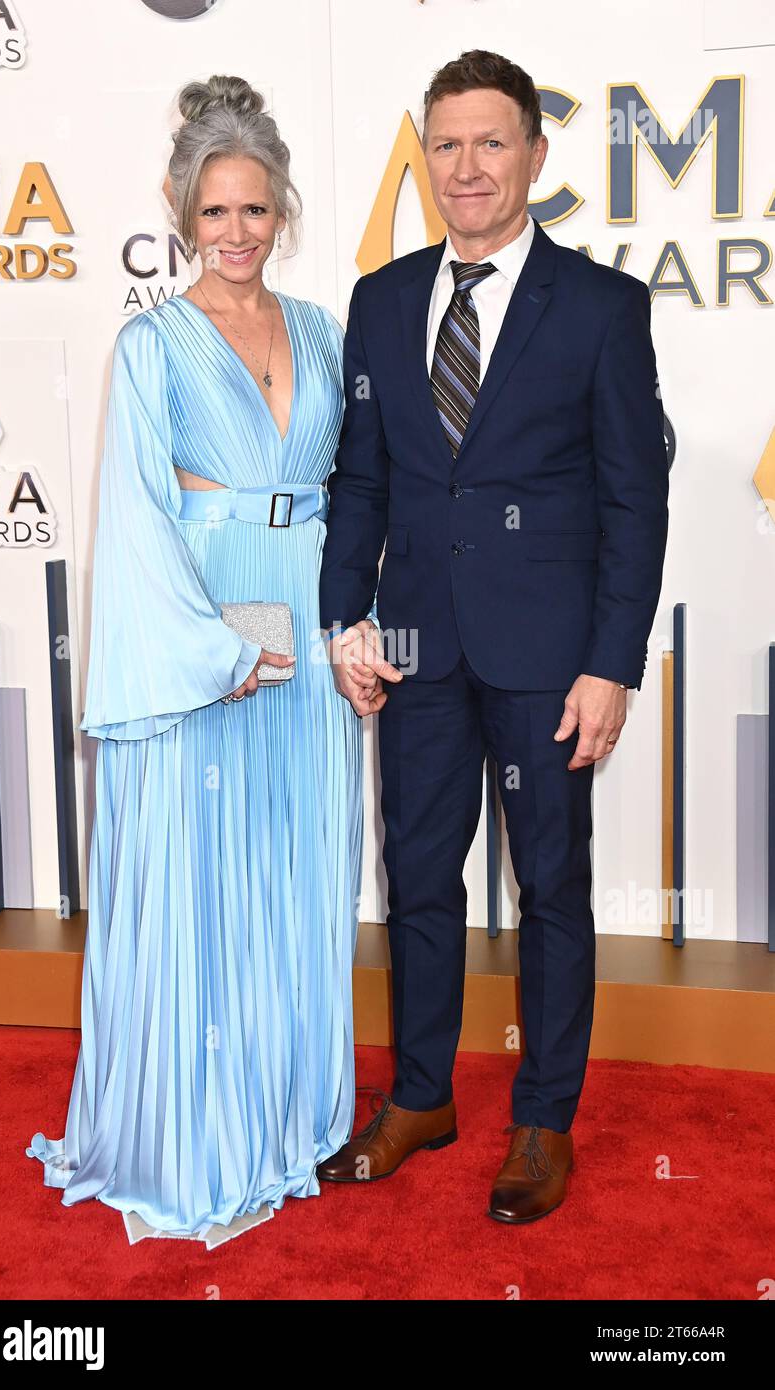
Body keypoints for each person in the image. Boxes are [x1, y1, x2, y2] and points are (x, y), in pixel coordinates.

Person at [25, 73, 387, 1247]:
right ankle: (191, 1133)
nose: (238, 233)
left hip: (307, 623)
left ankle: (286, 1114)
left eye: (258, 210)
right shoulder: (150, 344)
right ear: (183, 212)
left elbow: (359, 492)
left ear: (283, 209)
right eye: (216, 212)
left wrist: (352, 624)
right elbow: (135, 519)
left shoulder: (327, 332)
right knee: (195, 880)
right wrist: (211, 648)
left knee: (294, 874)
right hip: (203, 633)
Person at [317, 50, 669, 1223]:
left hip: (549, 656)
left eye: (491, 142)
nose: (467, 167)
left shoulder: (604, 308)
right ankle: (421, 1096)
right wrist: (343, 620)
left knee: (551, 889)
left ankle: (543, 1121)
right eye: (447, 144)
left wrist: (613, 661)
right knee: (417, 876)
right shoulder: (381, 298)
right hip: (413, 644)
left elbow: (635, 499)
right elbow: (357, 481)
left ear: (533, 155)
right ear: (427, 159)